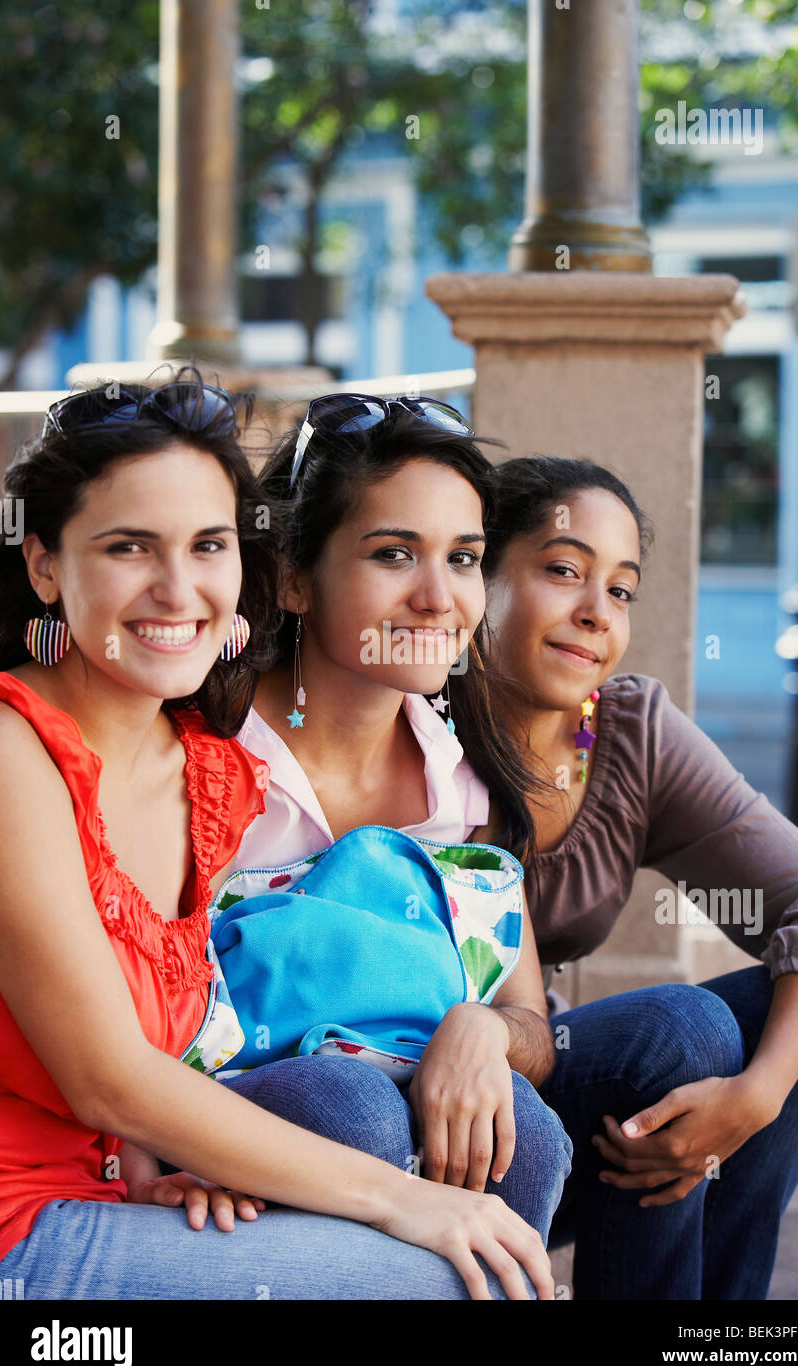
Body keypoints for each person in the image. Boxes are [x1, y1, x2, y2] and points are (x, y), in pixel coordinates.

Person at [0, 372, 556, 1301]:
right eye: (130, 546)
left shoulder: (209, 776)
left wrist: (147, 1164)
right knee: (442, 1275)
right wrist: (397, 1201)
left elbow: (158, 1069)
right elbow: (105, 1077)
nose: (178, 588)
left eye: (208, 545)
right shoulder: (3, 748)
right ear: (46, 565)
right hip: (6, 1229)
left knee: (500, 1202)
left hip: (111, 1200)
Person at [479, 453, 798, 1300]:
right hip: (438, 1111)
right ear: (481, 574)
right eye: (564, 571)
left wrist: (757, 1096)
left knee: (796, 1016)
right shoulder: (416, 721)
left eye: (620, 590)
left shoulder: (619, 732)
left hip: (560, 1101)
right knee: (680, 1033)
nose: (594, 614)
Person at [216, 394, 571, 1244]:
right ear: (295, 578)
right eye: (393, 554)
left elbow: (534, 1024)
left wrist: (480, 1028)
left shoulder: (463, 778)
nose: (437, 596)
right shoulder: (205, 756)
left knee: (526, 1135)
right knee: (355, 1110)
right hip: (231, 1113)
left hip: (413, 1089)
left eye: (463, 558)